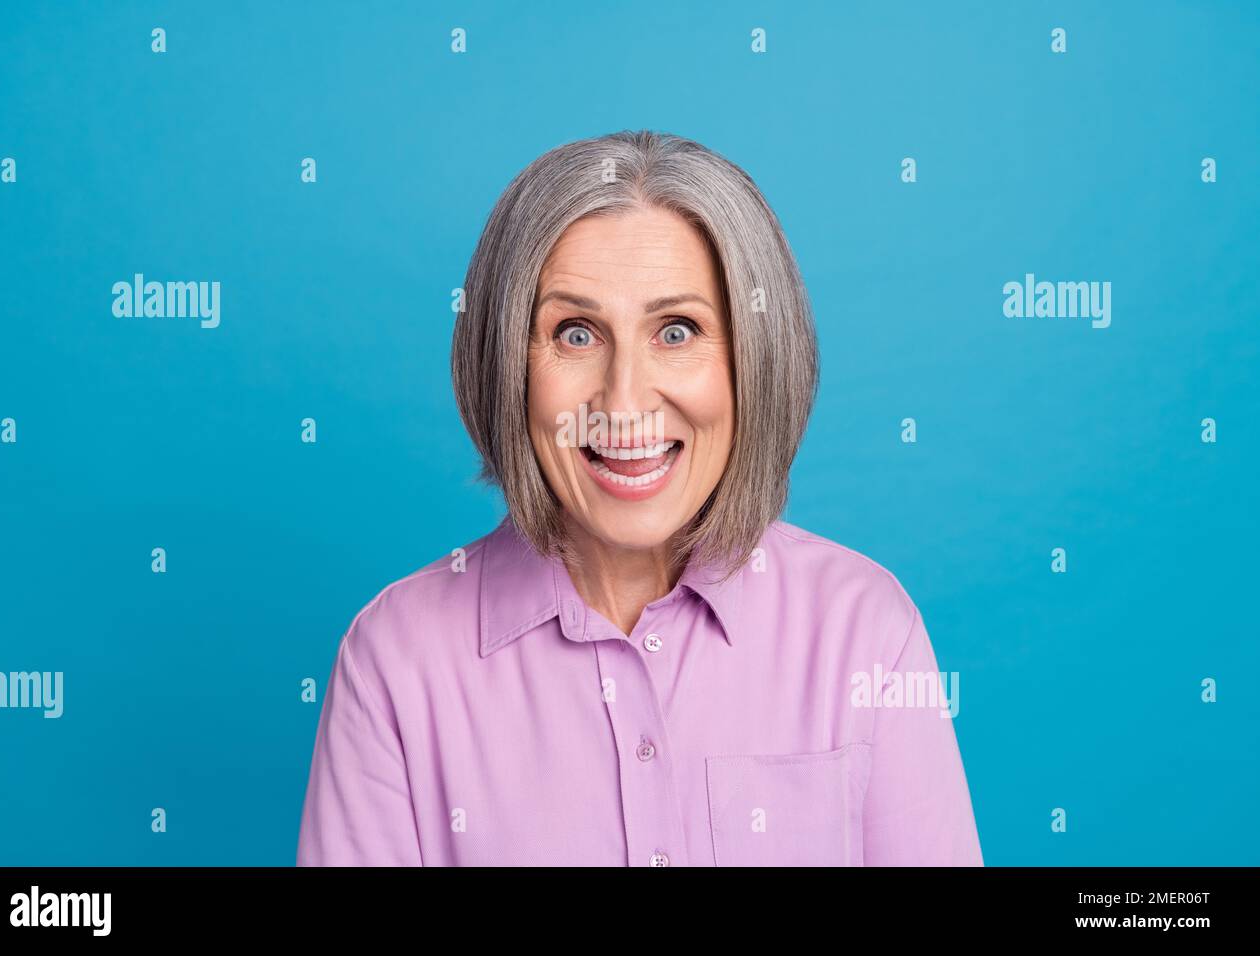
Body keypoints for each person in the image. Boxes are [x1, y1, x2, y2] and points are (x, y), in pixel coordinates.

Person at [296, 130, 983, 866]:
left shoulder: (866, 633)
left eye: (677, 330)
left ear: (756, 358)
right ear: (506, 367)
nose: (622, 405)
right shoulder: (394, 663)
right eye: (577, 333)